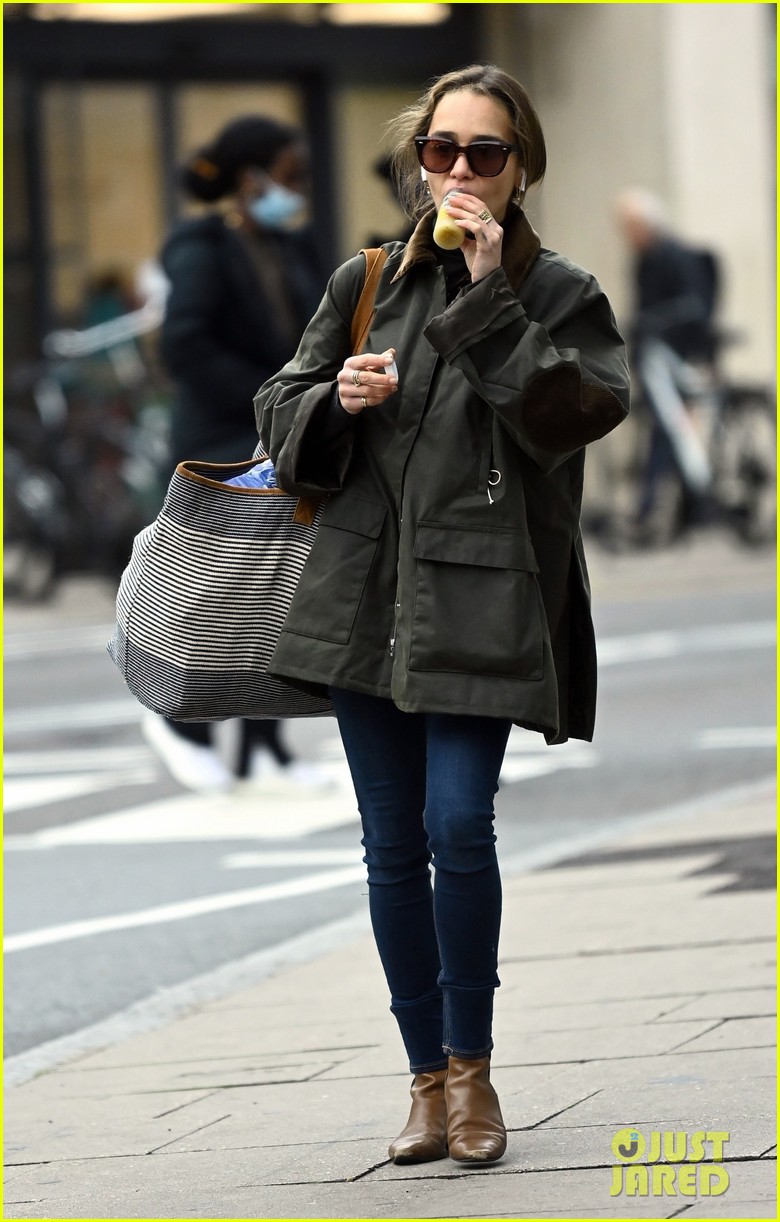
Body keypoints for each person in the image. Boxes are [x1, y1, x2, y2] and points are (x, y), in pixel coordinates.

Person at [255, 64, 630, 1165]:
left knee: (459, 826)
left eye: (485, 154)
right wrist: (335, 401)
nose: (459, 173)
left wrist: (484, 296)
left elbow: (574, 413)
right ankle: (425, 1082)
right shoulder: (365, 275)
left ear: (524, 168)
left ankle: (476, 1068)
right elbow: (280, 403)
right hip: (362, 595)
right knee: (388, 846)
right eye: (441, 151)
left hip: (486, 597)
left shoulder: (556, 289)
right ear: (419, 160)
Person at [143, 114, 329, 794]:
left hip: (284, 436)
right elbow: (183, 345)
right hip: (224, 439)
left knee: (284, 594)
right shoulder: (200, 246)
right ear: (251, 178)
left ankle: (263, 746)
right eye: (289, 175)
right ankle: (183, 722)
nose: (298, 188)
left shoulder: (289, 243)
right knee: (229, 598)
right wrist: (267, 396)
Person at [615, 187, 718, 543]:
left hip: (679, 358)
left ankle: (670, 509)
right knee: (665, 432)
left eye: (630, 226)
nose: (626, 235)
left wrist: (651, 325)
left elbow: (694, 309)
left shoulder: (675, 256)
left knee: (672, 429)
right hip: (657, 358)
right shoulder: (644, 260)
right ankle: (684, 510)